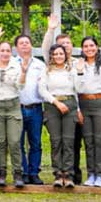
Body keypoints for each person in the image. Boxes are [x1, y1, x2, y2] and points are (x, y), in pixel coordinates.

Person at [0, 37, 26, 187]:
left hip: (13, 105)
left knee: (14, 142)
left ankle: (18, 173)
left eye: (8, 50)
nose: (5, 53)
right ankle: (1, 173)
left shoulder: (16, 66)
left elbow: (19, 86)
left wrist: (23, 74)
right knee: (1, 142)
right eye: (2, 50)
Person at [39, 44, 80, 187]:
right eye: (55, 54)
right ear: (51, 56)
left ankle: (68, 175)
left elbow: (77, 90)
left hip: (70, 105)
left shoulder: (72, 71)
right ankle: (58, 174)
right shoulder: (46, 71)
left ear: (65, 55)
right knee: (56, 141)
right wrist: (56, 103)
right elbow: (42, 90)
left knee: (68, 141)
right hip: (52, 106)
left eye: (61, 54)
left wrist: (78, 110)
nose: (58, 56)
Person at [74, 36, 101, 187]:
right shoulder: (78, 64)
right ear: (82, 49)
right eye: (86, 46)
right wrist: (80, 71)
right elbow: (76, 87)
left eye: (92, 46)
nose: (89, 49)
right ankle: (91, 174)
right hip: (84, 102)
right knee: (88, 141)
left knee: (100, 140)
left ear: (97, 47)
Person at [13, 34, 47, 185]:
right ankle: (23, 172)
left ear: (32, 45)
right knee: (18, 143)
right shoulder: (12, 64)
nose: (25, 45)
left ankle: (34, 172)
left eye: (27, 42)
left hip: (35, 108)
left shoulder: (40, 65)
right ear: (16, 48)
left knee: (36, 143)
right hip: (16, 108)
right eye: (21, 43)